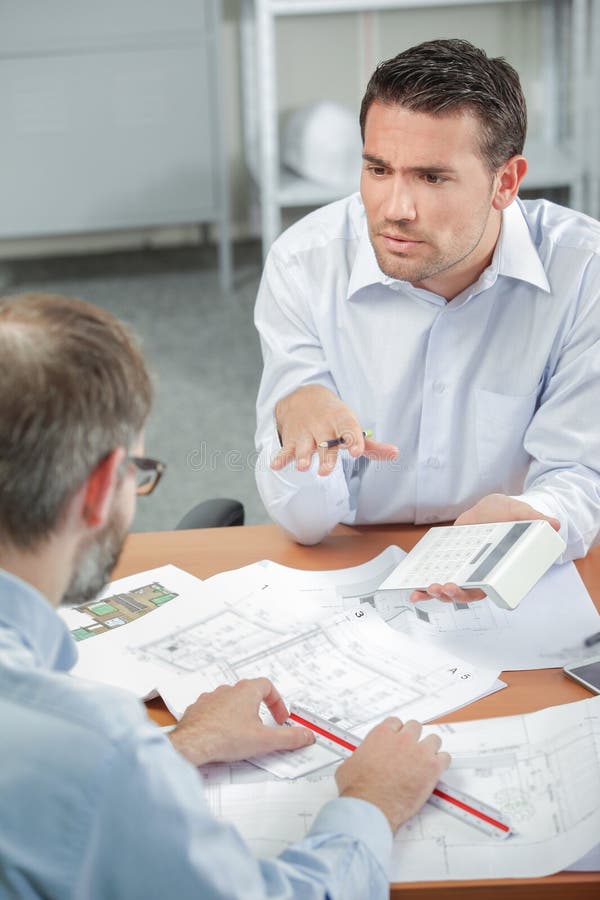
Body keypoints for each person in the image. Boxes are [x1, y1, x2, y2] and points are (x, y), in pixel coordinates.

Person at [0, 292, 449, 899]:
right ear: (101, 487)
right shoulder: (92, 748)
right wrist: (371, 804)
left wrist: (182, 747)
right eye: (140, 471)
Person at [254, 38, 600, 601]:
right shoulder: (304, 264)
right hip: (354, 572)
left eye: (431, 178)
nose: (394, 208)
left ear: (506, 183)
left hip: (513, 578)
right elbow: (305, 525)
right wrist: (297, 436)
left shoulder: (585, 271)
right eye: (377, 169)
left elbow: (582, 474)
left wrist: (530, 518)